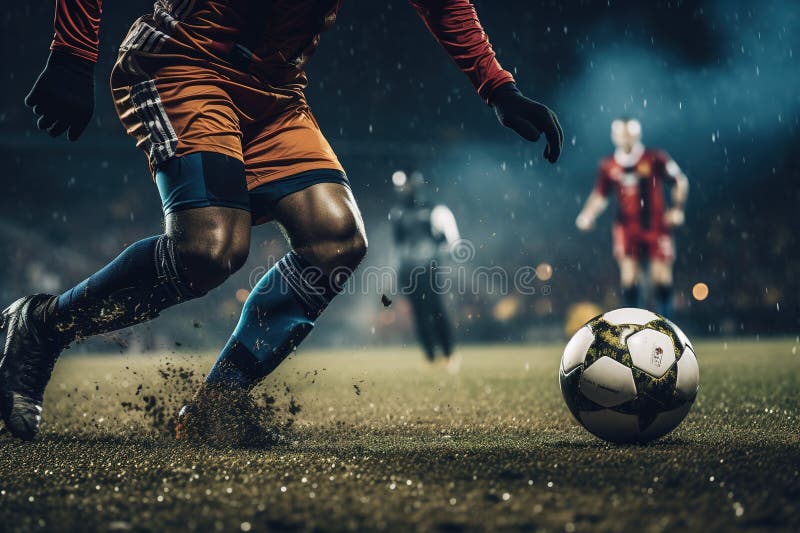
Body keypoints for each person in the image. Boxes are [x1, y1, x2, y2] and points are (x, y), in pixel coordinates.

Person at [1, 0, 563, 441]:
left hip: (275, 93)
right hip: (184, 61)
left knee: (337, 241)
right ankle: (41, 325)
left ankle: (214, 407)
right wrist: (73, 52)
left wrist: (498, 85)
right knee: (211, 249)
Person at [576, 118, 688, 318]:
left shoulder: (655, 158)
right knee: (629, 279)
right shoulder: (608, 165)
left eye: (630, 133)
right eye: (622, 133)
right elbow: (600, 195)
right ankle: (633, 326)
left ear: (638, 135)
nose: (626, 137)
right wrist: (588, 213)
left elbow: (679, 180)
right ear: (614, 136)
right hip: (626, 227)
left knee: (661, 278)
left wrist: (677, 208)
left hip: (656, 224)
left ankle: (668, 328)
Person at [389, 172, 459, 367]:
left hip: (430, 268)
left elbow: (451, 240)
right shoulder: (398, 213)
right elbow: (398, 246)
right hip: (409, 270)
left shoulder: (435, 209)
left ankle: (448, 353)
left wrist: (440, 255)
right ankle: (429, 355)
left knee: (437, 310)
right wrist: (399, 271)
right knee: (419, 313)